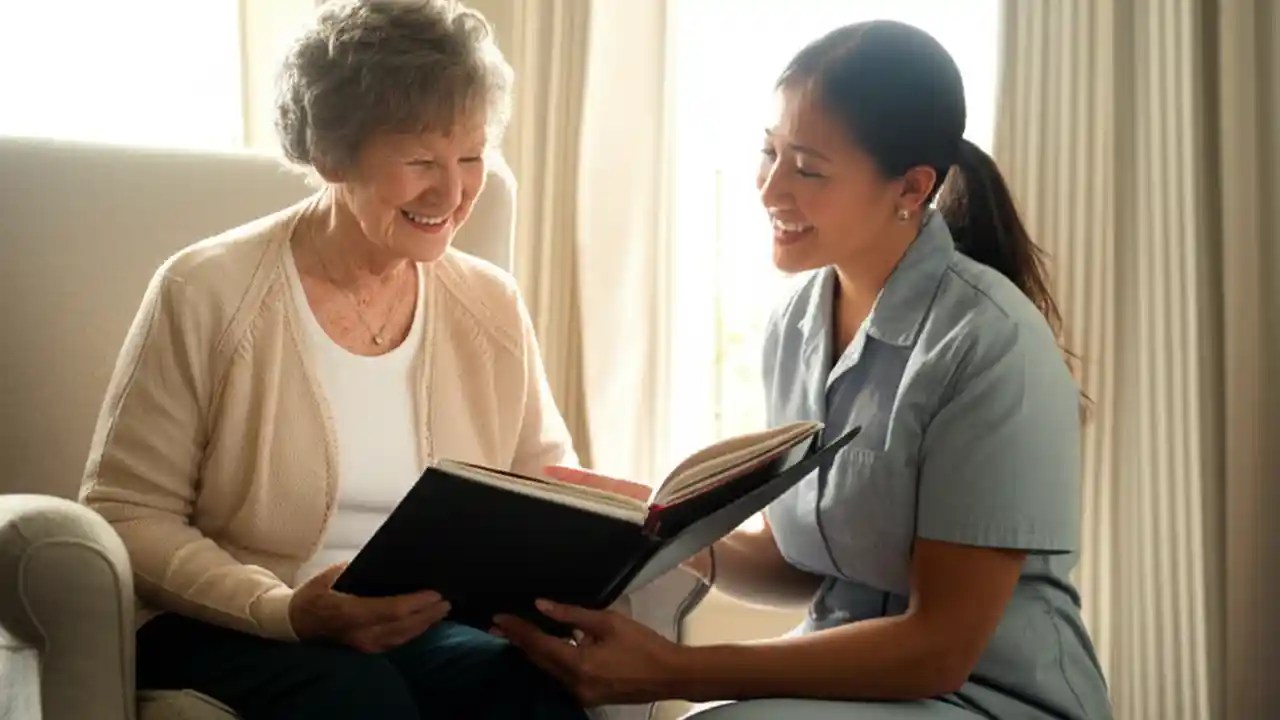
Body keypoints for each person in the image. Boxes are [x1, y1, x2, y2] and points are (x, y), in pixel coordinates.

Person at [493, 20, 1113, 720]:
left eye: (808, 168)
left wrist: (675, 670)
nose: (770, 189)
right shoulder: (797, 323)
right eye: (769, 152)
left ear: (911, 187)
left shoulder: (990, 344)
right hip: (847, 683)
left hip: (988, 698)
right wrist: (652, 527)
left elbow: (939, 649)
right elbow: (804, 565)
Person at [80, 1, 587, 718]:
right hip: (229, 624)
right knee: (357, 698)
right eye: (419, 162)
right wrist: (287, 610)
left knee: (524, 687)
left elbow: (547, 486)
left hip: (420, 626)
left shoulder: (490, 305)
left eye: (470, 157)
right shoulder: (207, 290)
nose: (452, 192)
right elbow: (125, 514)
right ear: (330, 155)